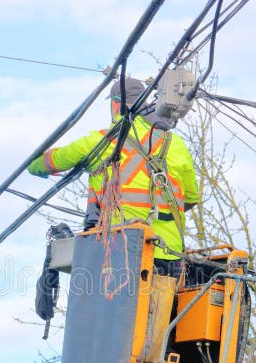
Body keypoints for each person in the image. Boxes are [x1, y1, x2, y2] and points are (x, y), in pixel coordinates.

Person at [27, 77, 199, 279]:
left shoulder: (102, 141)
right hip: (170, 256)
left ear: (116, 104)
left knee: (110, 308)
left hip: (119, 253)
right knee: (166, 310)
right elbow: (190, 199)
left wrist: (37, 164)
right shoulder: (175, 144)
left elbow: (44, 163)